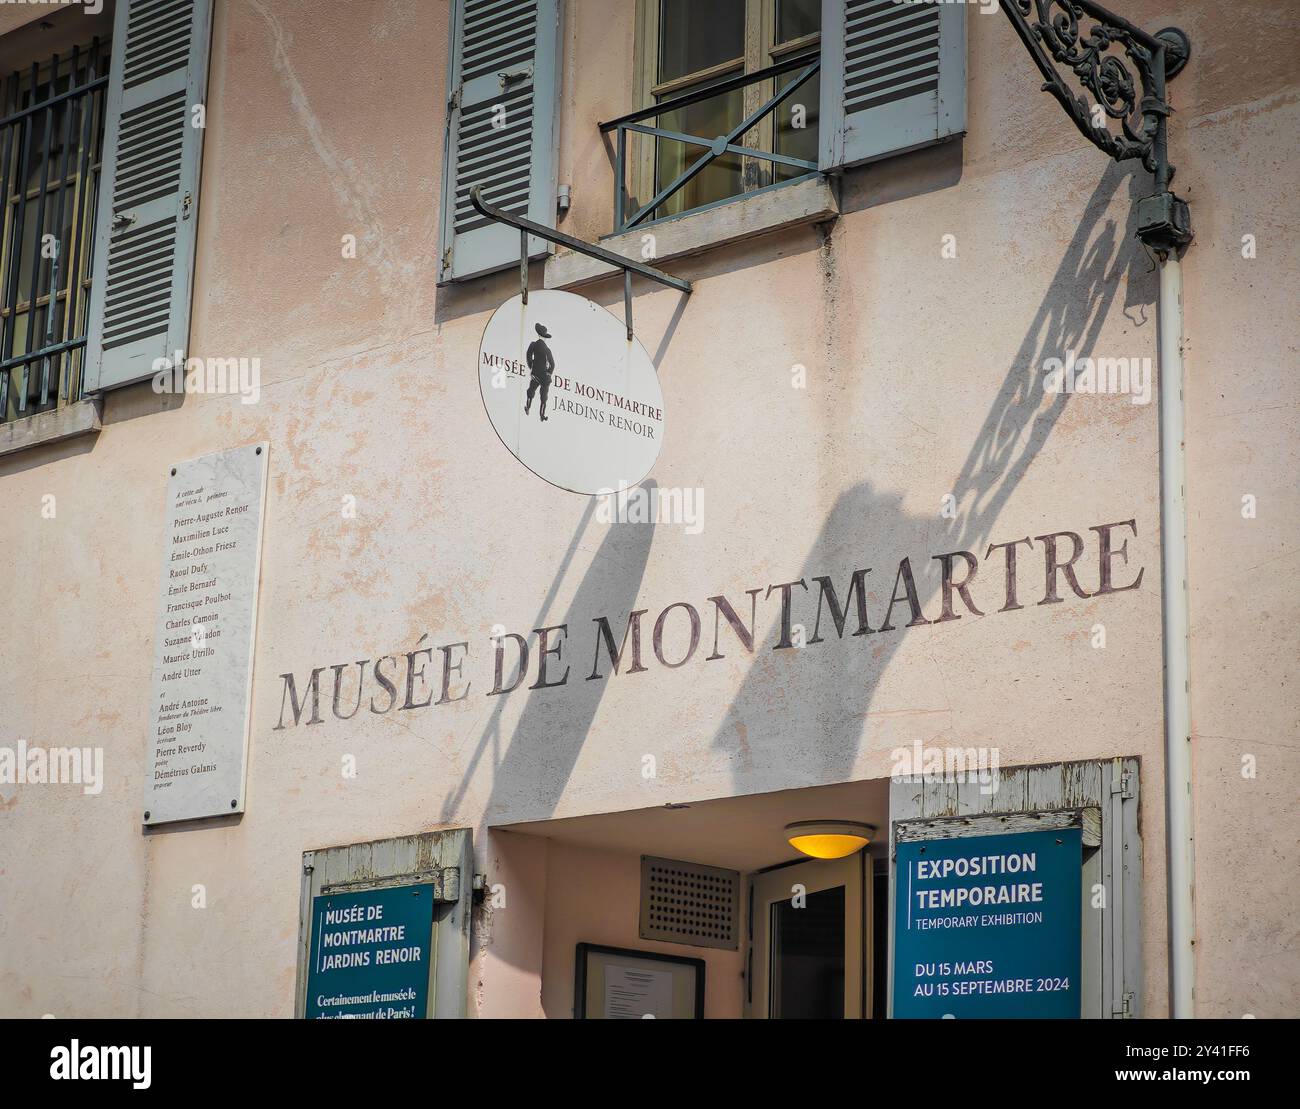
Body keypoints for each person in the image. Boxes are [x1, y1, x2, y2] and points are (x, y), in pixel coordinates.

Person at [524, 322, 555, 422]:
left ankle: (528, 407)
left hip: (536, 374)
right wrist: (548, 373)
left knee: (531, 390)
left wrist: (531, 365)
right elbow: (552, 364)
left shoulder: (534, 345)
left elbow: (528, 355)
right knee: (543, 395)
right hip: (543, 376)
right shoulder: (547, 349)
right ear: (544, 337)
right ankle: (542, 414)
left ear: (538, 335)